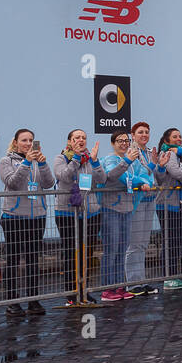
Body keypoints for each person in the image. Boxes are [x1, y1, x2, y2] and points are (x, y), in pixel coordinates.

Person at [0, 129, 56, 316]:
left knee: (33, 260)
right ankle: (12, 301)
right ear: (16, 143)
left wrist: (43, 163)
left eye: (31, 140)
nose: (28, 143)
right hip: (14, 217)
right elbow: (13, 182)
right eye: (24, 140)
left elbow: (48, 183)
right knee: (13, 260)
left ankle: (33, 300)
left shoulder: (37, 162)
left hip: (37, 217)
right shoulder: (6, 161)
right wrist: (26, 162)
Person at [53, 129, 104, 304]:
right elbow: (64, 176)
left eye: (83, 138)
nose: (81, 140)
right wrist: (75, 158)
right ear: (69, 141)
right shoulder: (61, 158)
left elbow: (102, 179)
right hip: (67, 212)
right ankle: (71, 291)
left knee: (87, 252)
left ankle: (84, 289)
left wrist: (95, 162)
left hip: (90, 212)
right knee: (71, 252)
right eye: (77, 138)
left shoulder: (90, 159)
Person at [97, 131, 141, 302]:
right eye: (120, 141)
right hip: (111, 210)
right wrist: (127, 161)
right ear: (113, 143)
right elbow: (112, 176)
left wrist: (144, 179)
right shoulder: (111, 159)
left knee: (122, 249)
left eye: (126, 141)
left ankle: (119, 286)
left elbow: (142, 175)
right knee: (111, 249)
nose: (124, 144)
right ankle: (107, 288)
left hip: (127, 209)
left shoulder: (131, 161)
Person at [153, 127, 182, 290]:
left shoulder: (179, 154)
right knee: (170, 241)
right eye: (175, 137)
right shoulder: (168, 155)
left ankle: (172, 274)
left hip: (179, 204)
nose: (179, 139)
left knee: (176, 241)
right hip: (167, 204)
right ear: (166, 140)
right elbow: (175, 172)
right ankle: (168, 276)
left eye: (180, 136)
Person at [123, 122, 160, 294]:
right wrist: (152, 166)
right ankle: (132, 283)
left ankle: (141, 280)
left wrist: (160, 165)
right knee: (134, 243)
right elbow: (139, 174)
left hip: (150, 199)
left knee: (143, 243)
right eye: (140, 132)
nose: (144, 135)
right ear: (133, 134)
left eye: (146, 132)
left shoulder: (147, 152)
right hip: (137, 200)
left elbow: (153, 174)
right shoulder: (131, 152)